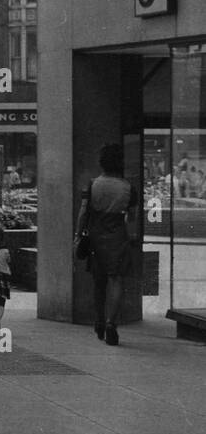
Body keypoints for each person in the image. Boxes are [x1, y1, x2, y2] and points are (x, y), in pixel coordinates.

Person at [76, 142, 139, 346]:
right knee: (116, 279)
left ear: (101, 163)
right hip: (118, 236)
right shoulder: (128, 188)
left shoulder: (93, 184)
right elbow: (132, 218)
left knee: (98, 281)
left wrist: (78, 234)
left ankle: (99, 320)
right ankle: (112, 323)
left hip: (96, 235)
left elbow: (84, 211)